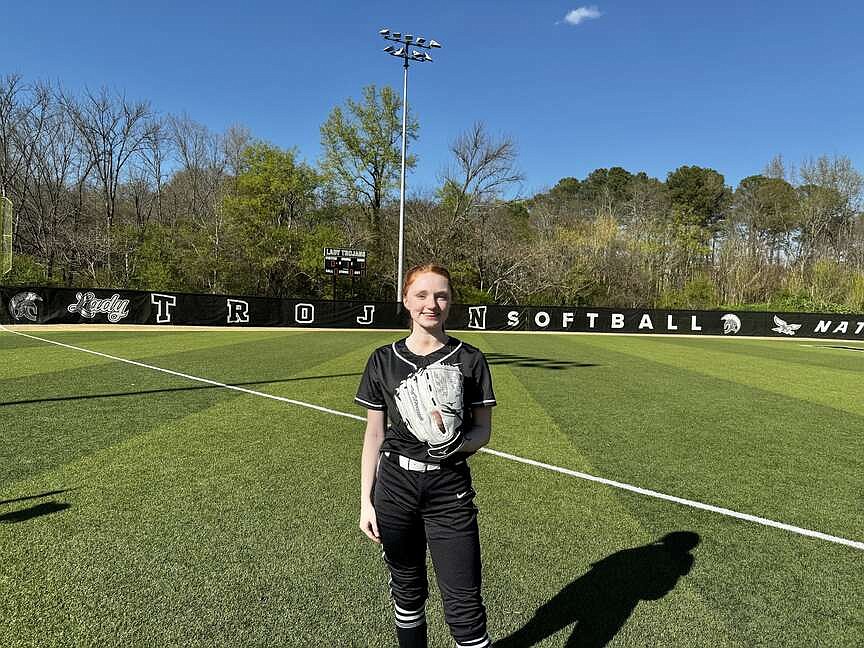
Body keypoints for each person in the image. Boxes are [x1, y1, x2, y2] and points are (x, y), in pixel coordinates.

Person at [356, 263, 497, 648]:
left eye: (440, 296)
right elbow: (373, 434)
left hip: (448, 487)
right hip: (395, 489)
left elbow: (482, 430)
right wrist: (366, 502)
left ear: (450, 302)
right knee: (407, 590)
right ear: (406, 300)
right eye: (421, 295)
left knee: (464, 605)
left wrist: (461, 444)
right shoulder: (382, 360)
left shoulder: (470, 359)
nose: (431, 304)